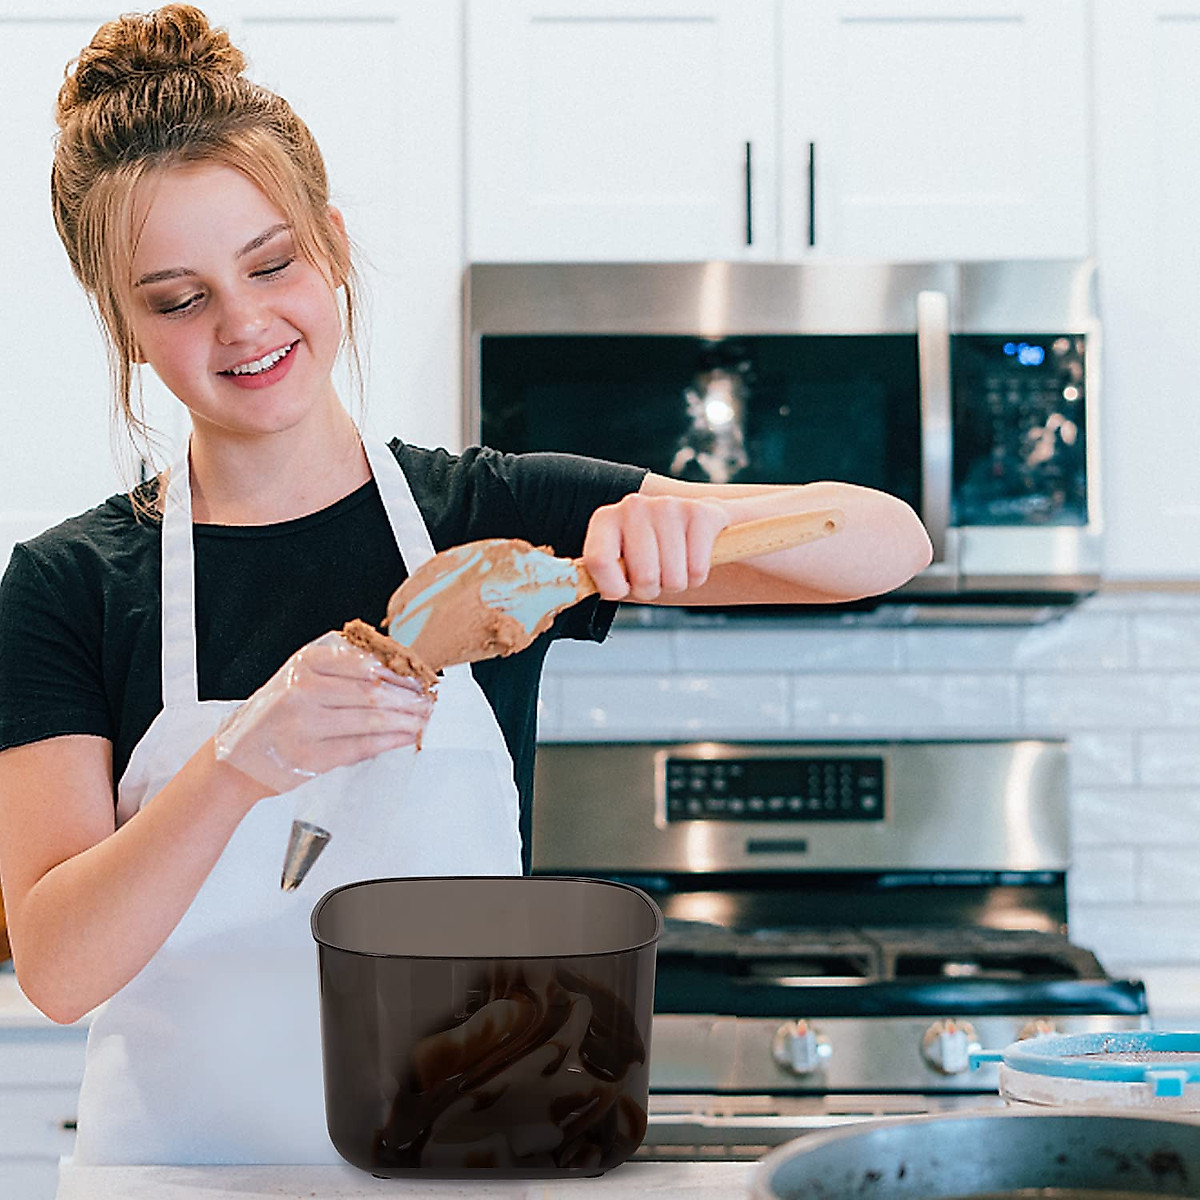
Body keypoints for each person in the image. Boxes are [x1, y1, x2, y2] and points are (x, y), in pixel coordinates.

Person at [0, 4, 932, 1169]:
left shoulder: (493, 523)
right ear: (127, 326)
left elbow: (890, 542)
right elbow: (57, 969)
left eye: (273, 263)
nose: (243, 321)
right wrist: (240, 761)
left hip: (455, 1171)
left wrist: (697, 521)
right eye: (178, 298)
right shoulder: (68, 585)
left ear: (332, 246)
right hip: (173, 1180)